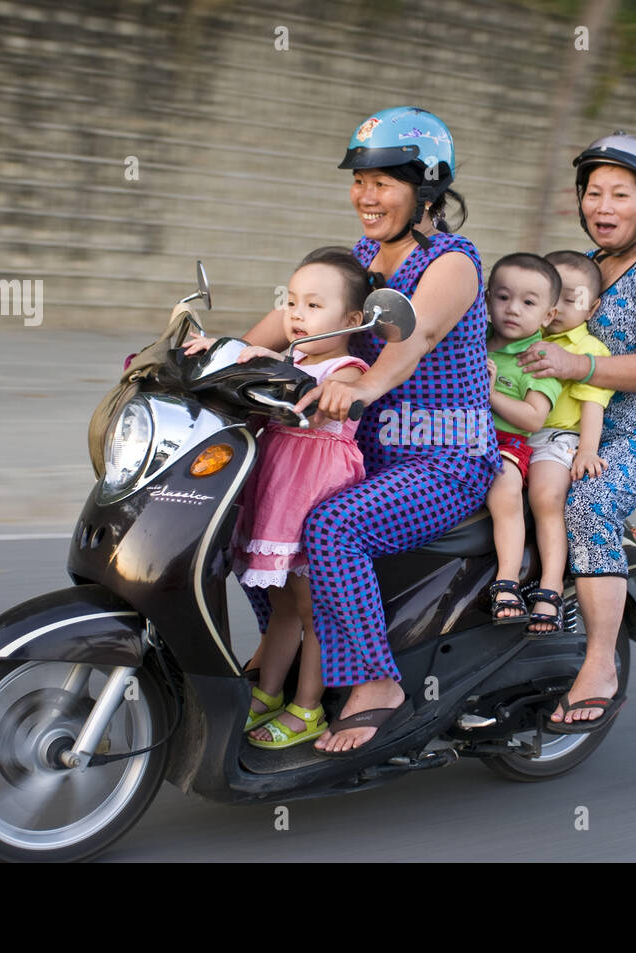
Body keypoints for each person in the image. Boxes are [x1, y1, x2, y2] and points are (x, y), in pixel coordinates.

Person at [183, 106, 500, 755]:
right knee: (255, 513)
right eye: (360, 180)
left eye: (383, 180)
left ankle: (377, 682)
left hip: (443, 459)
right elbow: (295, 313)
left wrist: (361, 385)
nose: (366, 194)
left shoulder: (452, 262)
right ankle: (283, 663)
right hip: (364, 449)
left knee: (331, 526)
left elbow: (418, 336)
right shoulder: (360, 257)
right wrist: (215, 357)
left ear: (427, 185)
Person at [517, 132, 636, 731]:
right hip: (559, 421)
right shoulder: (579, 271)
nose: (604, 206)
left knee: (590, 500)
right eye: (593, 192)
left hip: (633, 435)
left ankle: (599, 666)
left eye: (621, 194)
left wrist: (580, 366)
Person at [229, 247, 374, 749]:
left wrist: (338, 389)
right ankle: (269, 692)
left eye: (313, 306)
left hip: (313, 489)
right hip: (276, 488)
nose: (296, 314)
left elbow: (333, 393)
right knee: (282, 603)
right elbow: (258, 370)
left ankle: (308, 707)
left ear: (351, 319)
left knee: (314, 610)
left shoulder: (348, 367)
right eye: (291, 302)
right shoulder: (292, 359)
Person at [521, 250, 615, 635]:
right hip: (513, 434)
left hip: (556, 438)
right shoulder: (523, 336)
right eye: (552, 294)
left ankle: (551, 586)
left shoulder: (587, 350)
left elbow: (592, 405)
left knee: (545, 497)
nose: (558, 306)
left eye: (571, 297)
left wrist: (588, 450)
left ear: (591, 307)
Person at [482, 253, 564, 624]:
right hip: (456, 435)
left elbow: (533, 418)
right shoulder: (473, 340)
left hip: (506, 443)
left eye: (528, 302)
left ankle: (507, 580)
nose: (512, 309)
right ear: (486, 299)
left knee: (505, 486)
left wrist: (490, 392)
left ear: (547, 315)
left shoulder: (539, 358)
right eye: (502, 297)